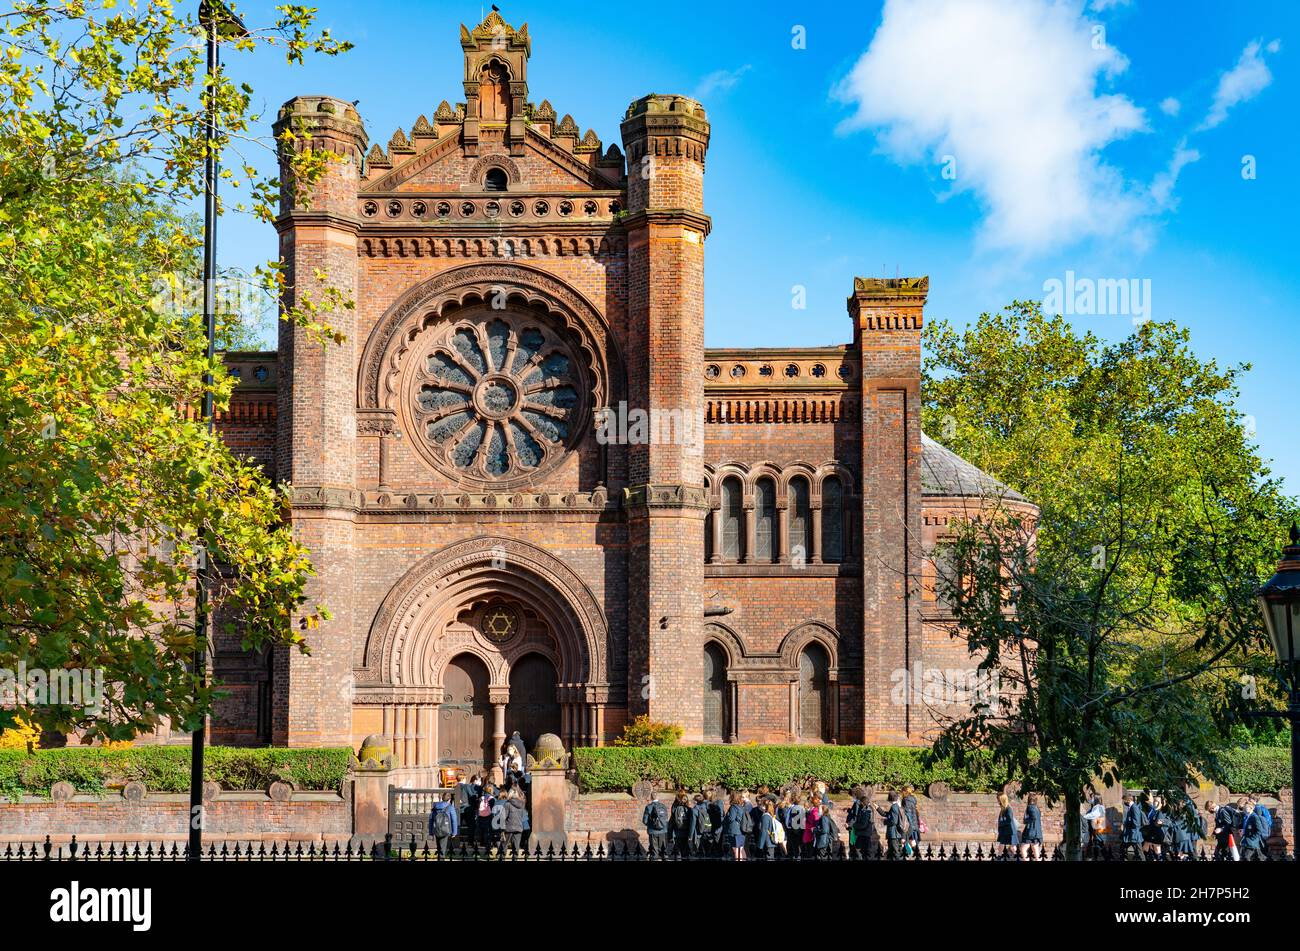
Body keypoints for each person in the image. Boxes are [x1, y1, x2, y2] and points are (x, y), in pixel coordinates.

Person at [847, 792, 879, 858]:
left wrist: (852, 825)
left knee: (862, 850)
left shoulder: (866, 811)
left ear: (862, 802)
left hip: (864, 833)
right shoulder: (866, 809)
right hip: (865, 833)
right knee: (863, 850)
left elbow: (863, 824)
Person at [877, 790, 906, 859]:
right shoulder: (897, 806)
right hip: (896, 834)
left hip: (894, 834)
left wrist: (885, 821)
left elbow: (894, 821)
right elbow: (888, 814)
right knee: (893, 853)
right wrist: (878, 808)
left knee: (896, 853)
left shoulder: (894, 807)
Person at [431, 791, 459, 855]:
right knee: (442, 849)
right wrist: (454, 832)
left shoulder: (435, 807)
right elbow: (454, 820)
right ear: (449, 799)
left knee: (438, 847)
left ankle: (439, 857)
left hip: (436, 829)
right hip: (446, 830)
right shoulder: (450, 807)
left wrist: (431, 831)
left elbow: (431, 819)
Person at [642, 791, 669, 855]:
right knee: (663, 851)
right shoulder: (663, 806)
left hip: (653, 831)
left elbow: (645, 821)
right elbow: (666, 818)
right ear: (658, 797)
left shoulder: (648, 807)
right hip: (663, 831)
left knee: (655, 852)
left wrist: (651, 825)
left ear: (651, 797)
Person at [1119, 793, 1144, 860]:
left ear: (1127, 800)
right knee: (1122, 848)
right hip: (1131, 834)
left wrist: (1127, 824)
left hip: (1134, 834)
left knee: (1139, 852)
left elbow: (1136, 823)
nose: (1123, 802)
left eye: (1124, 800)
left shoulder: (1134, 807)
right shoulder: (1131, 807)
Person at [724, 793, 748, 861]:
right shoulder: (741, 807)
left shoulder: (733, 807)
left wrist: (726, 816)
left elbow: (731, 818)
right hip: (741, 831)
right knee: (741, 849)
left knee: (736, 850)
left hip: (734, 831)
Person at [669, 790, 693, 856]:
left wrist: (670, 834)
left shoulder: (674, 805)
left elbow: (672, 820)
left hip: (677, 831)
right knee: (685, 852)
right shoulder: (686, 803)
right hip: (686, 831)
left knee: (677, 851)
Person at [1020, 792, 1043, 860]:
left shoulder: (1030, 807)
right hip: (1037, 832)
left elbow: (1034, 817)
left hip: (1030, 832)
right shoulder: (1037, 808)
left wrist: (1025, 821)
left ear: (1029, 799)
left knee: (1023, 848)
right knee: (1035, 848)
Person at [901, 784, 922, 854]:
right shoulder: (912, 799)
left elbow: (907, 814)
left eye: (902, 792)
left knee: (912, 843)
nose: (901, 794)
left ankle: (918, 856)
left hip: (910, 826)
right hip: (914, 825)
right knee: (912, 843)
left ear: (904, 792)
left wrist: (907, 827)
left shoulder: (906, 801)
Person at [475, 783, 497, 848]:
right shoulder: (492, 798)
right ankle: (488, 843)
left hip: (481, 815)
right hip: (489, 815)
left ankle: (482, 842)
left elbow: (478, 806)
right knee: (488, 830)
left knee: (482, 829)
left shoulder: (481, 797)